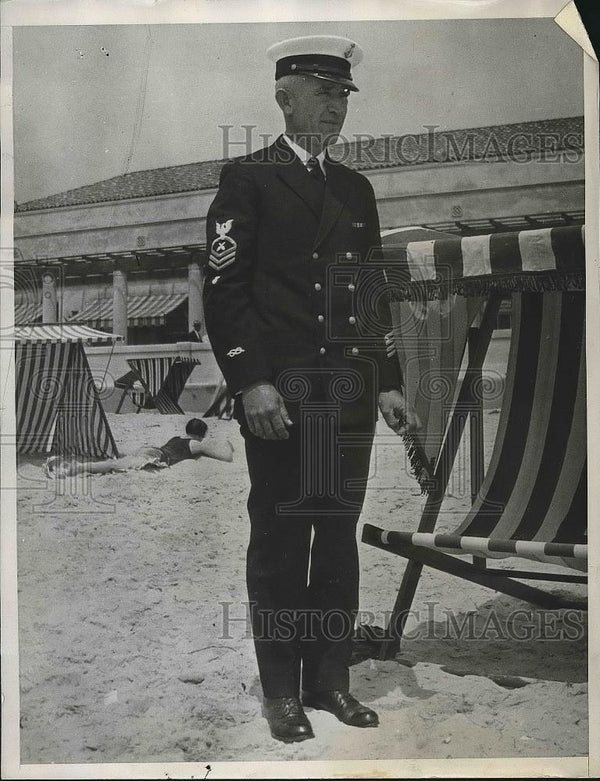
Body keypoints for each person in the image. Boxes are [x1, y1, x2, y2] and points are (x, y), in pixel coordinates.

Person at [203, 34, 420, 743]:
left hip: (347, 395)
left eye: (342, 97)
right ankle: (280, 692)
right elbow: (226, 291)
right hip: (281, 399)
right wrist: (252, 381)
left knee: (336, 539)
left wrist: (387, 381)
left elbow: (370, 295)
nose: (334, 109)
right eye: (322, 94)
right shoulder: (249, 179)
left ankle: (329, 681)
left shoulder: (355, 189)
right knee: (279, 539)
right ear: (284, 96)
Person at [44, 418, 233, 478]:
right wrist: (227, 445)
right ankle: (75, 467)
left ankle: (71, 461)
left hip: (149, 449)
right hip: (155, 455)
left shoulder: (178, 437)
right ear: (201, 434)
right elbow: (225, 457)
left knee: (116, 460)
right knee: (112, 464)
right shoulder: (195, 444)